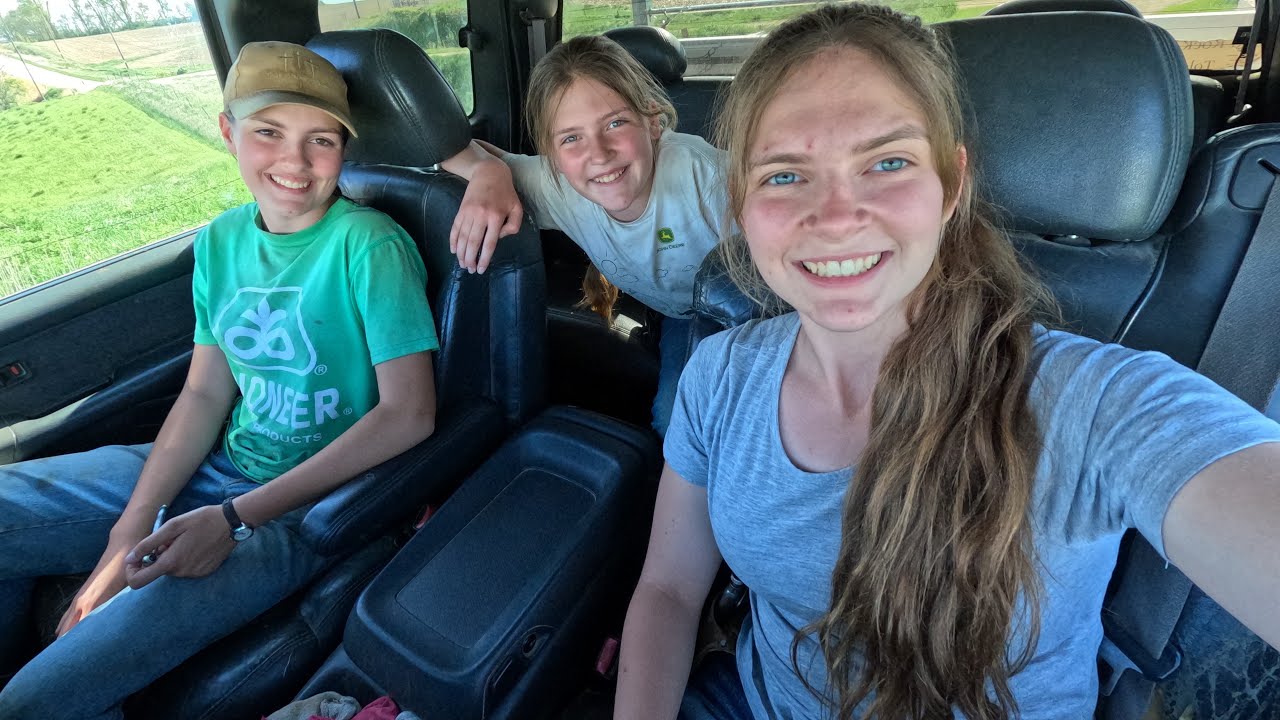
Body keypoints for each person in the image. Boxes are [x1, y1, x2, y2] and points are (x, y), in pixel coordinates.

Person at [613, 5, 1280, 719]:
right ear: (740, 204)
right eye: (784, 175)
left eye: (888, 162)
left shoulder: (1089, 403)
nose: (837, 217)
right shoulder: (719, 375)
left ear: (952, 185)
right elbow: (670, 591)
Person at [0, 41, 439, 719]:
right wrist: (129, 528)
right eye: (268, 133)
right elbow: (206, 392)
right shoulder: (221, 242)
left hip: (302, 508)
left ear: (342, 152)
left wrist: (234, 519)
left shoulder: (369, 245)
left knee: (31, 702)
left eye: (320, 140)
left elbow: (409, 414)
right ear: (228, 131)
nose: (294, 162)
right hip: (218, 467)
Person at [440, 34, 726, 436]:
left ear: (654, 121)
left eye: (615, 123)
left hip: (761, 310)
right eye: (571, 138)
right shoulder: (556, 185)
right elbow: (452, 149)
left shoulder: (703, 175)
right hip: (687, 314)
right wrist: (488, 172)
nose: (599, 153)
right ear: (552, 155)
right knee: (673, 423)